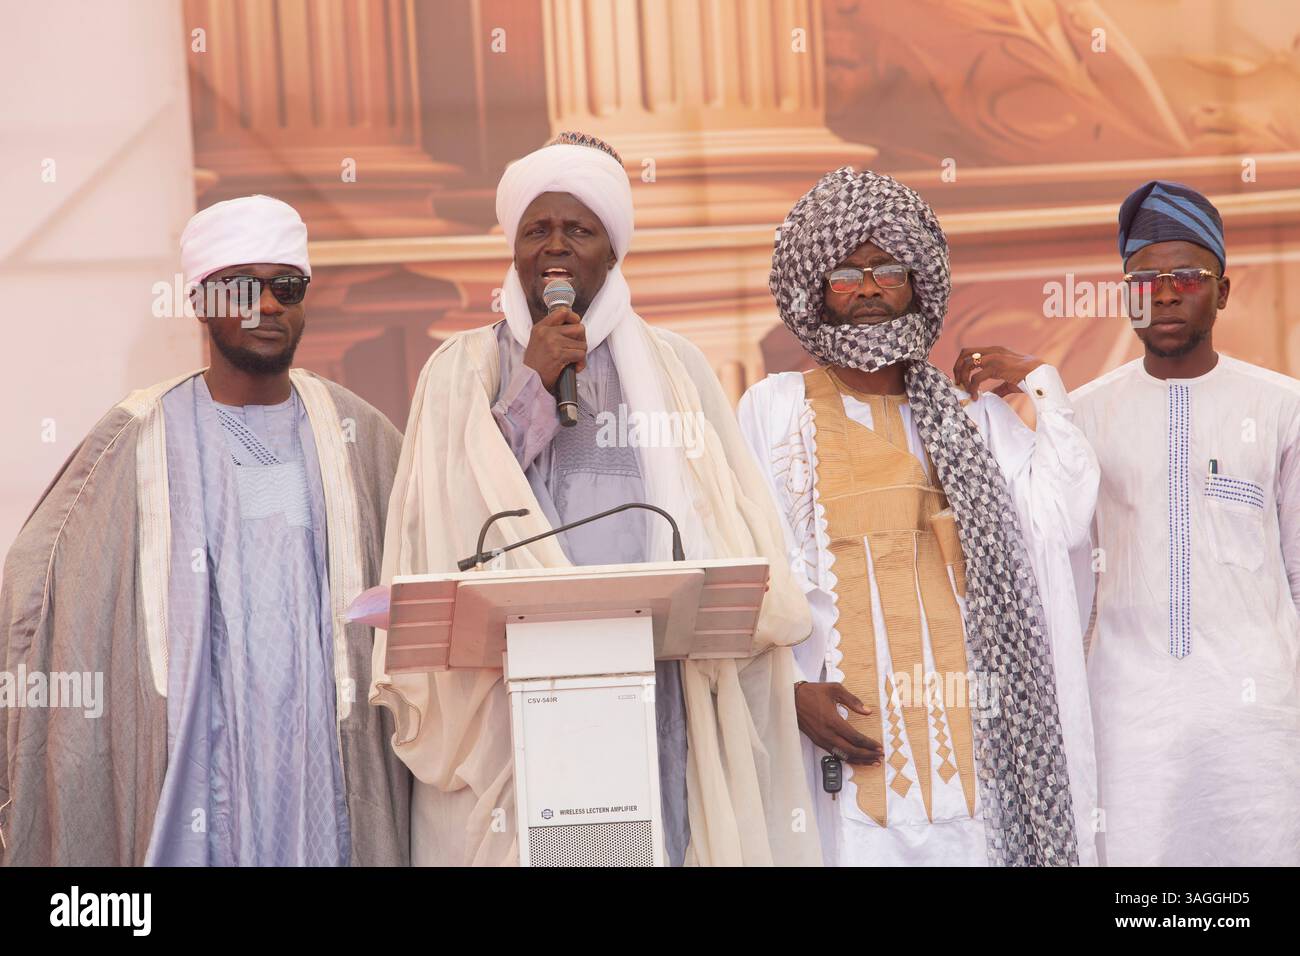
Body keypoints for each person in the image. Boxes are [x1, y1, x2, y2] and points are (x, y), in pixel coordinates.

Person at [370, 133, 819, 866]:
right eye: (536, 230)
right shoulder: (461, 371)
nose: (555, 247)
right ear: (513, 249)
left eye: (577, 230)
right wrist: (530, 391)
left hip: (657, 676)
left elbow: (733, 524)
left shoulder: (677, 370)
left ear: (612, 249)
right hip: (511, 695)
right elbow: (447, 521)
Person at [0, 195, 410, 866]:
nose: (268, 305)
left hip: (325, 769)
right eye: (243, 286)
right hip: (195, 771)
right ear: (199, 299)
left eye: (287, 286)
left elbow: (431, 561)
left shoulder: (355, 432)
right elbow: (39, 583)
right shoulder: (137, 437)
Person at [741, 167, 1100, 865]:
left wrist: (1038, 381)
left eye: (888, 269)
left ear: (918, 283)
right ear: (816, 287)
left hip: (978, 753)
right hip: (842, 750)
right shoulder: (775, 409)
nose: (870, 289)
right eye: (847, 271)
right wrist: (788, 690)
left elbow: (1064, 515)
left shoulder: (976, 422)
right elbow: (754, 563)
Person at [1071, 180, 1300, 865]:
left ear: (1223, 292)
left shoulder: (1283, 407)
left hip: (1256, 725)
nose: (1164, 293)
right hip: (1127, 718)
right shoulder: (1080, 417)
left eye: (1187, 277)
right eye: (1144, 279)